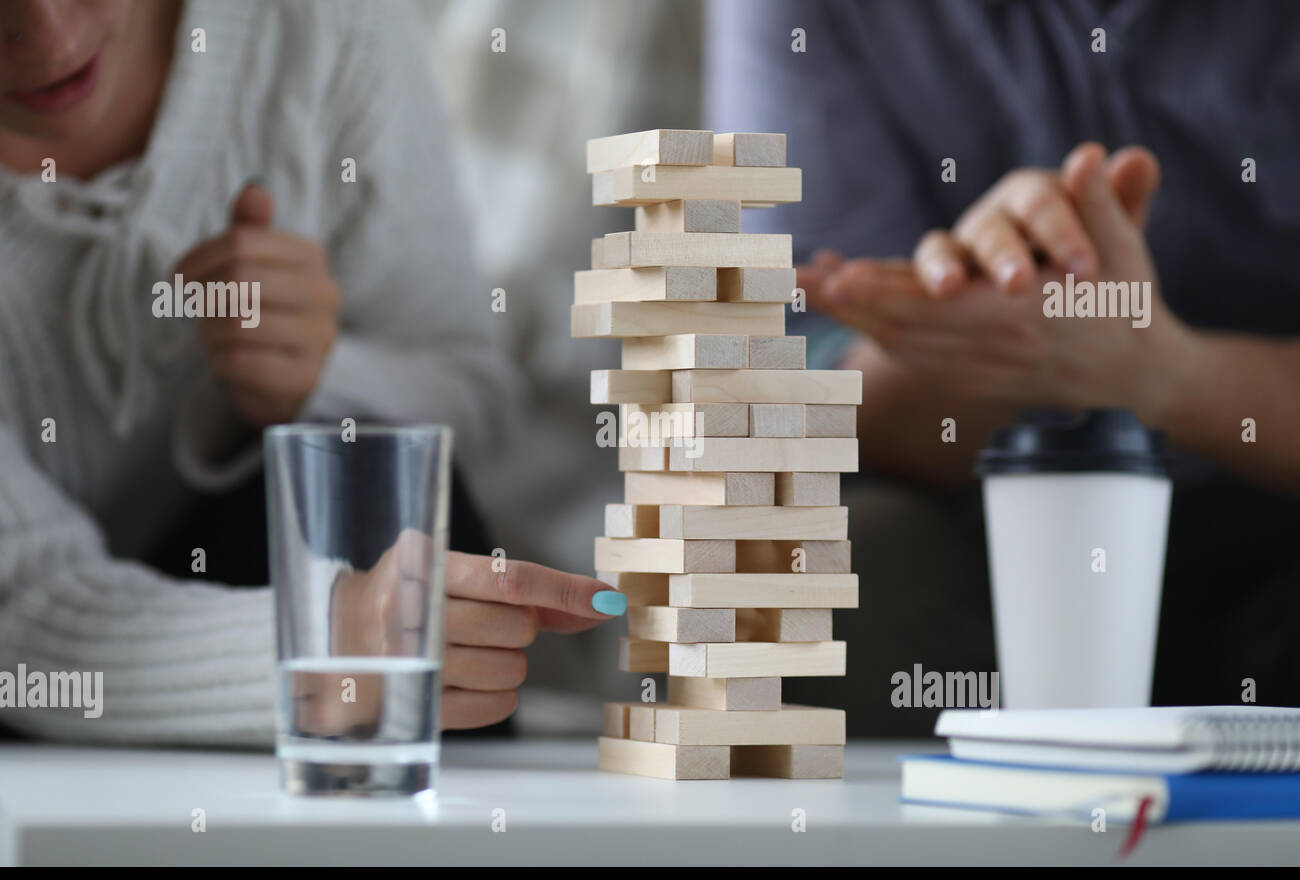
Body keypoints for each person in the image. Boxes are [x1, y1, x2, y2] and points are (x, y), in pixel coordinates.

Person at [0, 0, 625, 744]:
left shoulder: (323, 31)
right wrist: (328, 646)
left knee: (399, 498)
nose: (51, 39)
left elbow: (474, 397)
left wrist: (320, 380)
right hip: (68, 664)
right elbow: (23, 604)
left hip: (251, 604)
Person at [709, 0, 1300, 731]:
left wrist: (1166, 374)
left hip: (1275, 528)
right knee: (773, 580)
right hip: (983, 541)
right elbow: (783, 405)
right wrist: (986, 333)